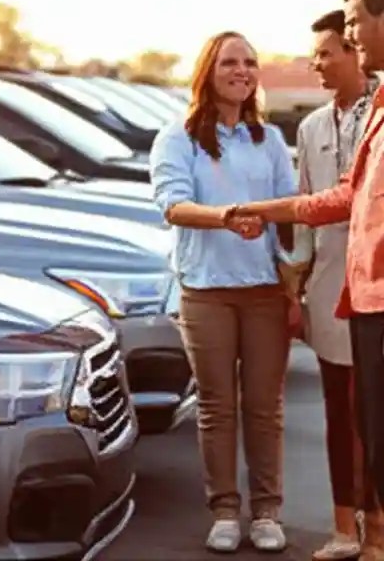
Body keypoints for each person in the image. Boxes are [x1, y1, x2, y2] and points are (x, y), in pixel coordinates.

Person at [238, 0, 384, 561]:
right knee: (363, 424)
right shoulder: (358, 117)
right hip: (354, 295)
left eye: (352, 25)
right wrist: (260, 212)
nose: (347, 37)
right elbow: (339, 197)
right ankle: (360, 534)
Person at [149, 30, 298, 554]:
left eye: (250, 62)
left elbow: (288, 212)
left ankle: (267, 512)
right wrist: (225, 218)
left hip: (263, 293)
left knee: (264, 406)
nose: (242, 70)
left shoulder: (270, 140)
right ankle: (225, 512)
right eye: (231, 62)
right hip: (205, 290)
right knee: (216, 407)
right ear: (208, 72)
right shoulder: (177, 137)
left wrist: (292, 278)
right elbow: (171, 205)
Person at [289, 8, 381, 560]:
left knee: (375, 413)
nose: (317, 63)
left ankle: (377, 528)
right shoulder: (310, 127)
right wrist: (292, 290)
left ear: (352, 51)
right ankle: (345, 529)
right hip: (327, 289)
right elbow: (303, 223)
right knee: (339, 413)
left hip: (377, 286)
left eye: (327, 52)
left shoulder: (383, 111)